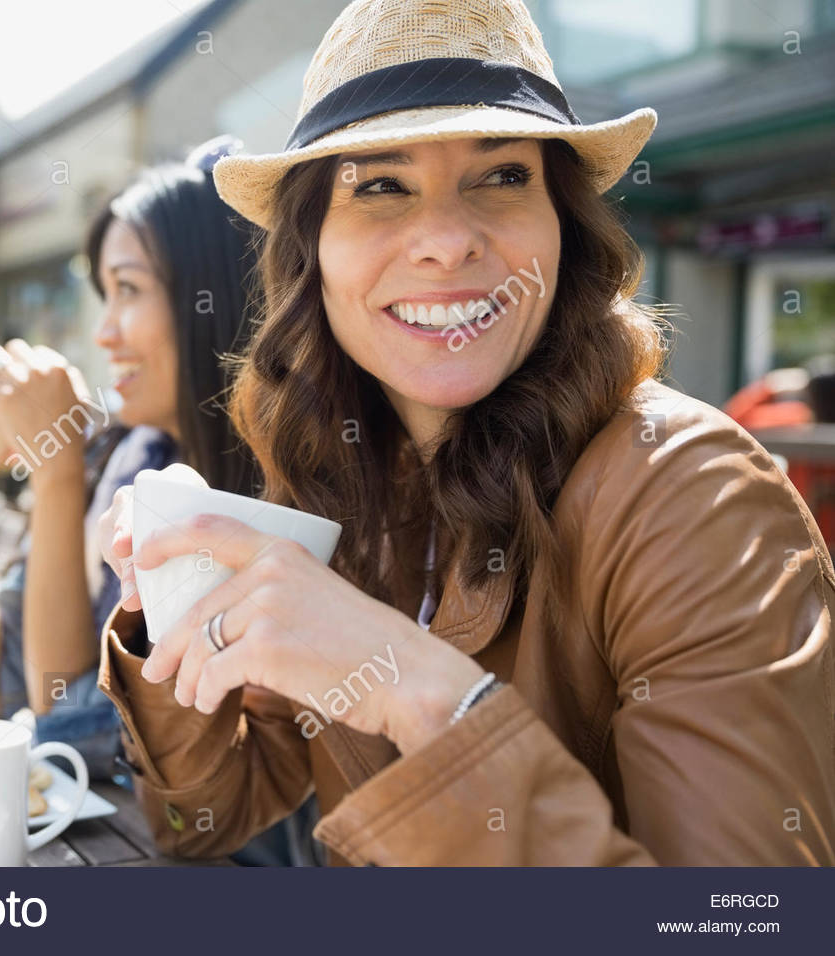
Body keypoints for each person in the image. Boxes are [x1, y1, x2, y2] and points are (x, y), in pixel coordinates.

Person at [95, 0, 835, 865]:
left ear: (565, 227)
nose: (446, 241)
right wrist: (171, 615)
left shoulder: (694, 496)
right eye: (380, 185)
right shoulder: (351, 472)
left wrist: (420, 691)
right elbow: (204, 823)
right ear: (312, 257)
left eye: (502, 176)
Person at [0, 141, 262, 782]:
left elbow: (69, 724)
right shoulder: (125, 458)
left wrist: (55, 476)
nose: (105, 332)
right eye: (104, 293)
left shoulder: (265, 500)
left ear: (209, 298)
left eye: (128, 290)